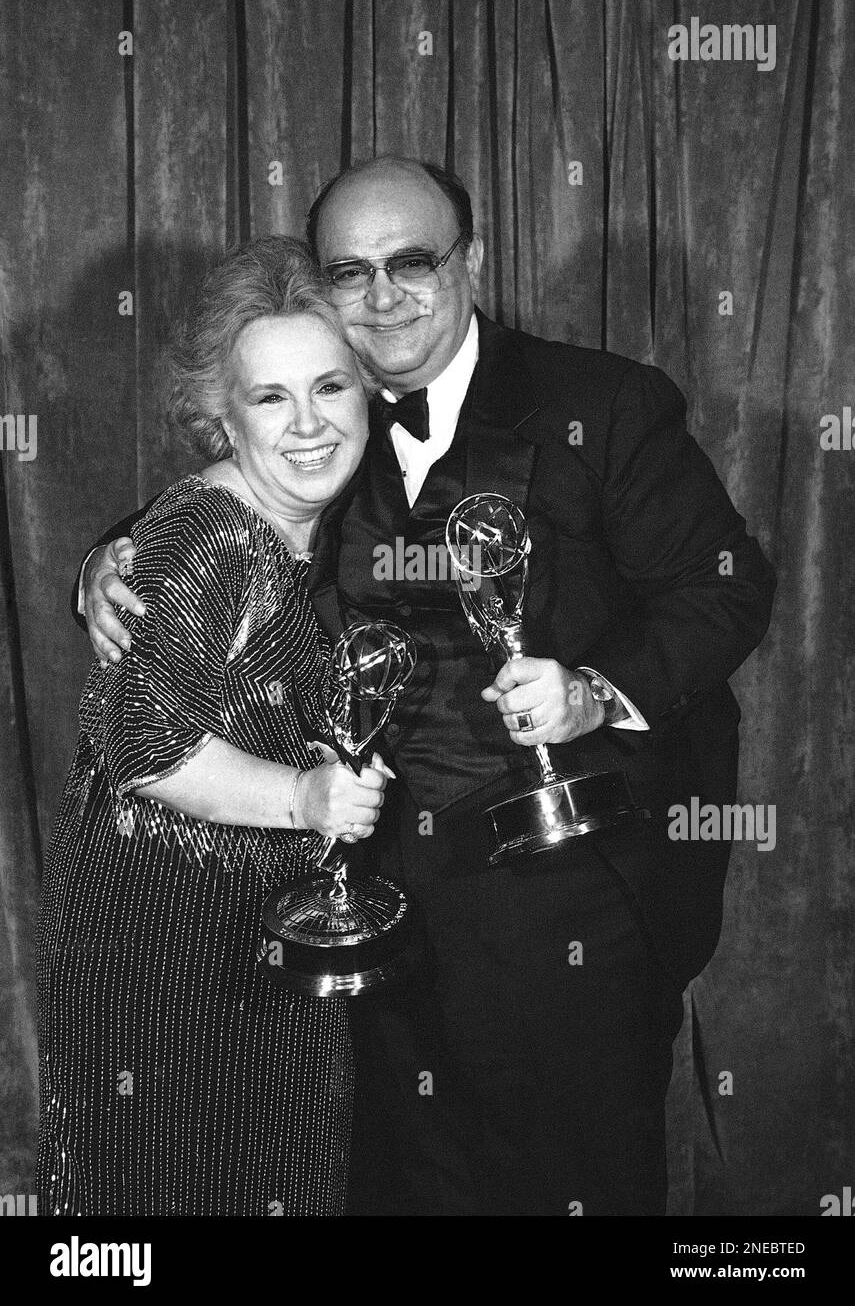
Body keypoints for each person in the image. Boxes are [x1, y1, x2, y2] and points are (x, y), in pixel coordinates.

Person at [78, 157, 776, 1216]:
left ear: (472, 263)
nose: (384, 296)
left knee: (577, 1179)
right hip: (374, 886)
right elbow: (212, 512)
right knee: (403, 1182)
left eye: (413, 262)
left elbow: (726, 589)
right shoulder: (325, 409)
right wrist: (103, 562)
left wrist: (594, 687)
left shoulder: (602, 401)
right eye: (350, 273)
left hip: (570, 883)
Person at [39, 236, 390, 1216]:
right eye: (272, 397)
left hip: (238, 931)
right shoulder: (217, 535)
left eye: (331, 386)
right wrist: (307, 795)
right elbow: (143, 746)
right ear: (219, 415)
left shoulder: (285, 525)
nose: (310, 423)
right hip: (168, 953)